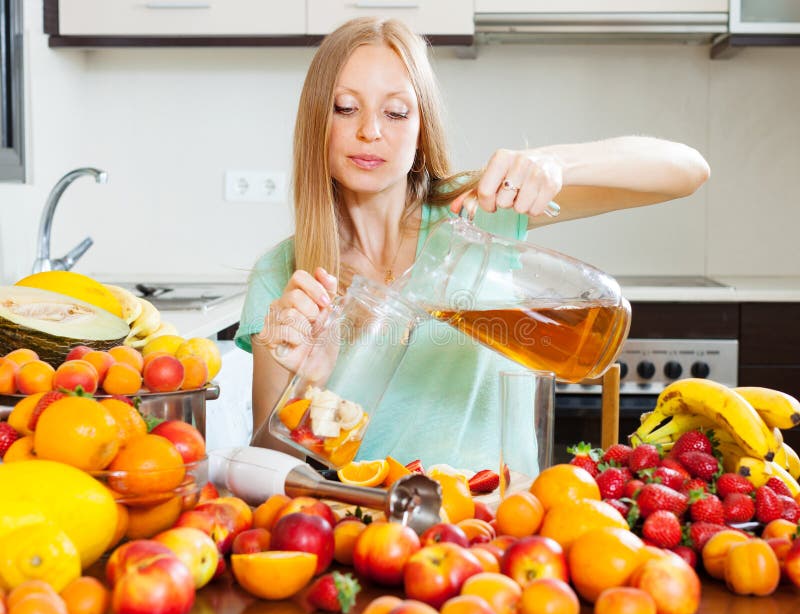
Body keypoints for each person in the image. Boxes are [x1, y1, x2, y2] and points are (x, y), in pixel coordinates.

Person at [234, 16, 710, 471]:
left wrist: (554, 163)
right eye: (345, 107)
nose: (371, 131)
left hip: (496, 528)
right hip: (367, 533)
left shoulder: (480, 210)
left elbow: (686, 171)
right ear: (319, 120)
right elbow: (272, 472)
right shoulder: (282, 277)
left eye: (396, 111)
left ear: (422, 128)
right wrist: (304, 383)